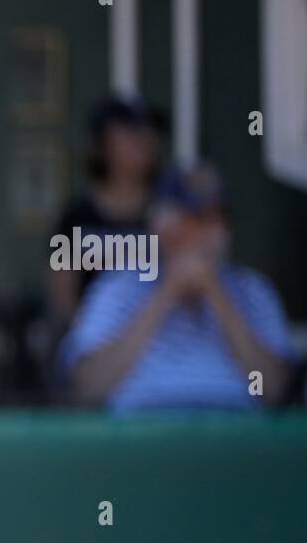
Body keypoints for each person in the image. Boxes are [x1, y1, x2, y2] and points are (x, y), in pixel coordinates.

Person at [59, 163, 296, 412]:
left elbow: (275, 392)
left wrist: (217, 295)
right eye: (200, 218)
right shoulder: (117, 289)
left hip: (236, 439)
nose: (216, 231)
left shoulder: (254, 291)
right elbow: (88, 389)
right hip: (142, 440)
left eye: (220, 216)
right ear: (164, 228)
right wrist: (166, 294)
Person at [47, 95, 167, 340]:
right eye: (131, 132)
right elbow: (63, 302)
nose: (144, 140)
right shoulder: (74, 219)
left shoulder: (173, 213)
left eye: (149, 132)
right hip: (93, 347)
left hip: (161, 349)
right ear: (101, 145)